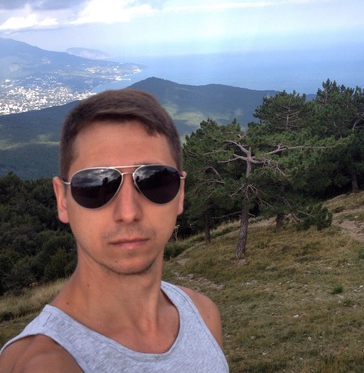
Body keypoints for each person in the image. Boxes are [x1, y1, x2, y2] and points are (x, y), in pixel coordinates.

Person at [0, 89, 229, 372]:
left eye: (155, 181)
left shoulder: (204, 315)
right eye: (96, 185)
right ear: (62, 201)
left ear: (180, 194)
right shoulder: (43, 363)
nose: (128, 213)